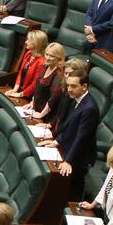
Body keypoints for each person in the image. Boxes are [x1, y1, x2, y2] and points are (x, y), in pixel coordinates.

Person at [41, 72, 98, 200]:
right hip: (69, 149)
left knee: (71, 195)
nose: (69, 89)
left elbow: (81, 138)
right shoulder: (76, 100)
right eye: (68, 86)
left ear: (84, 86)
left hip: (78, 158)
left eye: (73, 86)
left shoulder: (90, 108)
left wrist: (68, 161)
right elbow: (69, 126)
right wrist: (57, 141)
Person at [30, 42, 66, 126]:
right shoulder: (46, 66)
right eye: (47, 54)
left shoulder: (59, 74)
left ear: (59, 58)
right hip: (37, 109)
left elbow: (53, 99)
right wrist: (32, 102)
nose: (48, 58)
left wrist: (41, 114)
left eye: (52, 56)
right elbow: (38, 87)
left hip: (47, 117)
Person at [5, 30, 47, 101]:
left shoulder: (41, 62)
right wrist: (15, 90)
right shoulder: (28, 53)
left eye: (28, 40)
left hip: (29, 95)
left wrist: (21, 94)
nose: (25, 42)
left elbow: (35, 84)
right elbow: (20, 73)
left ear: (36, 43)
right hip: (20, 89)